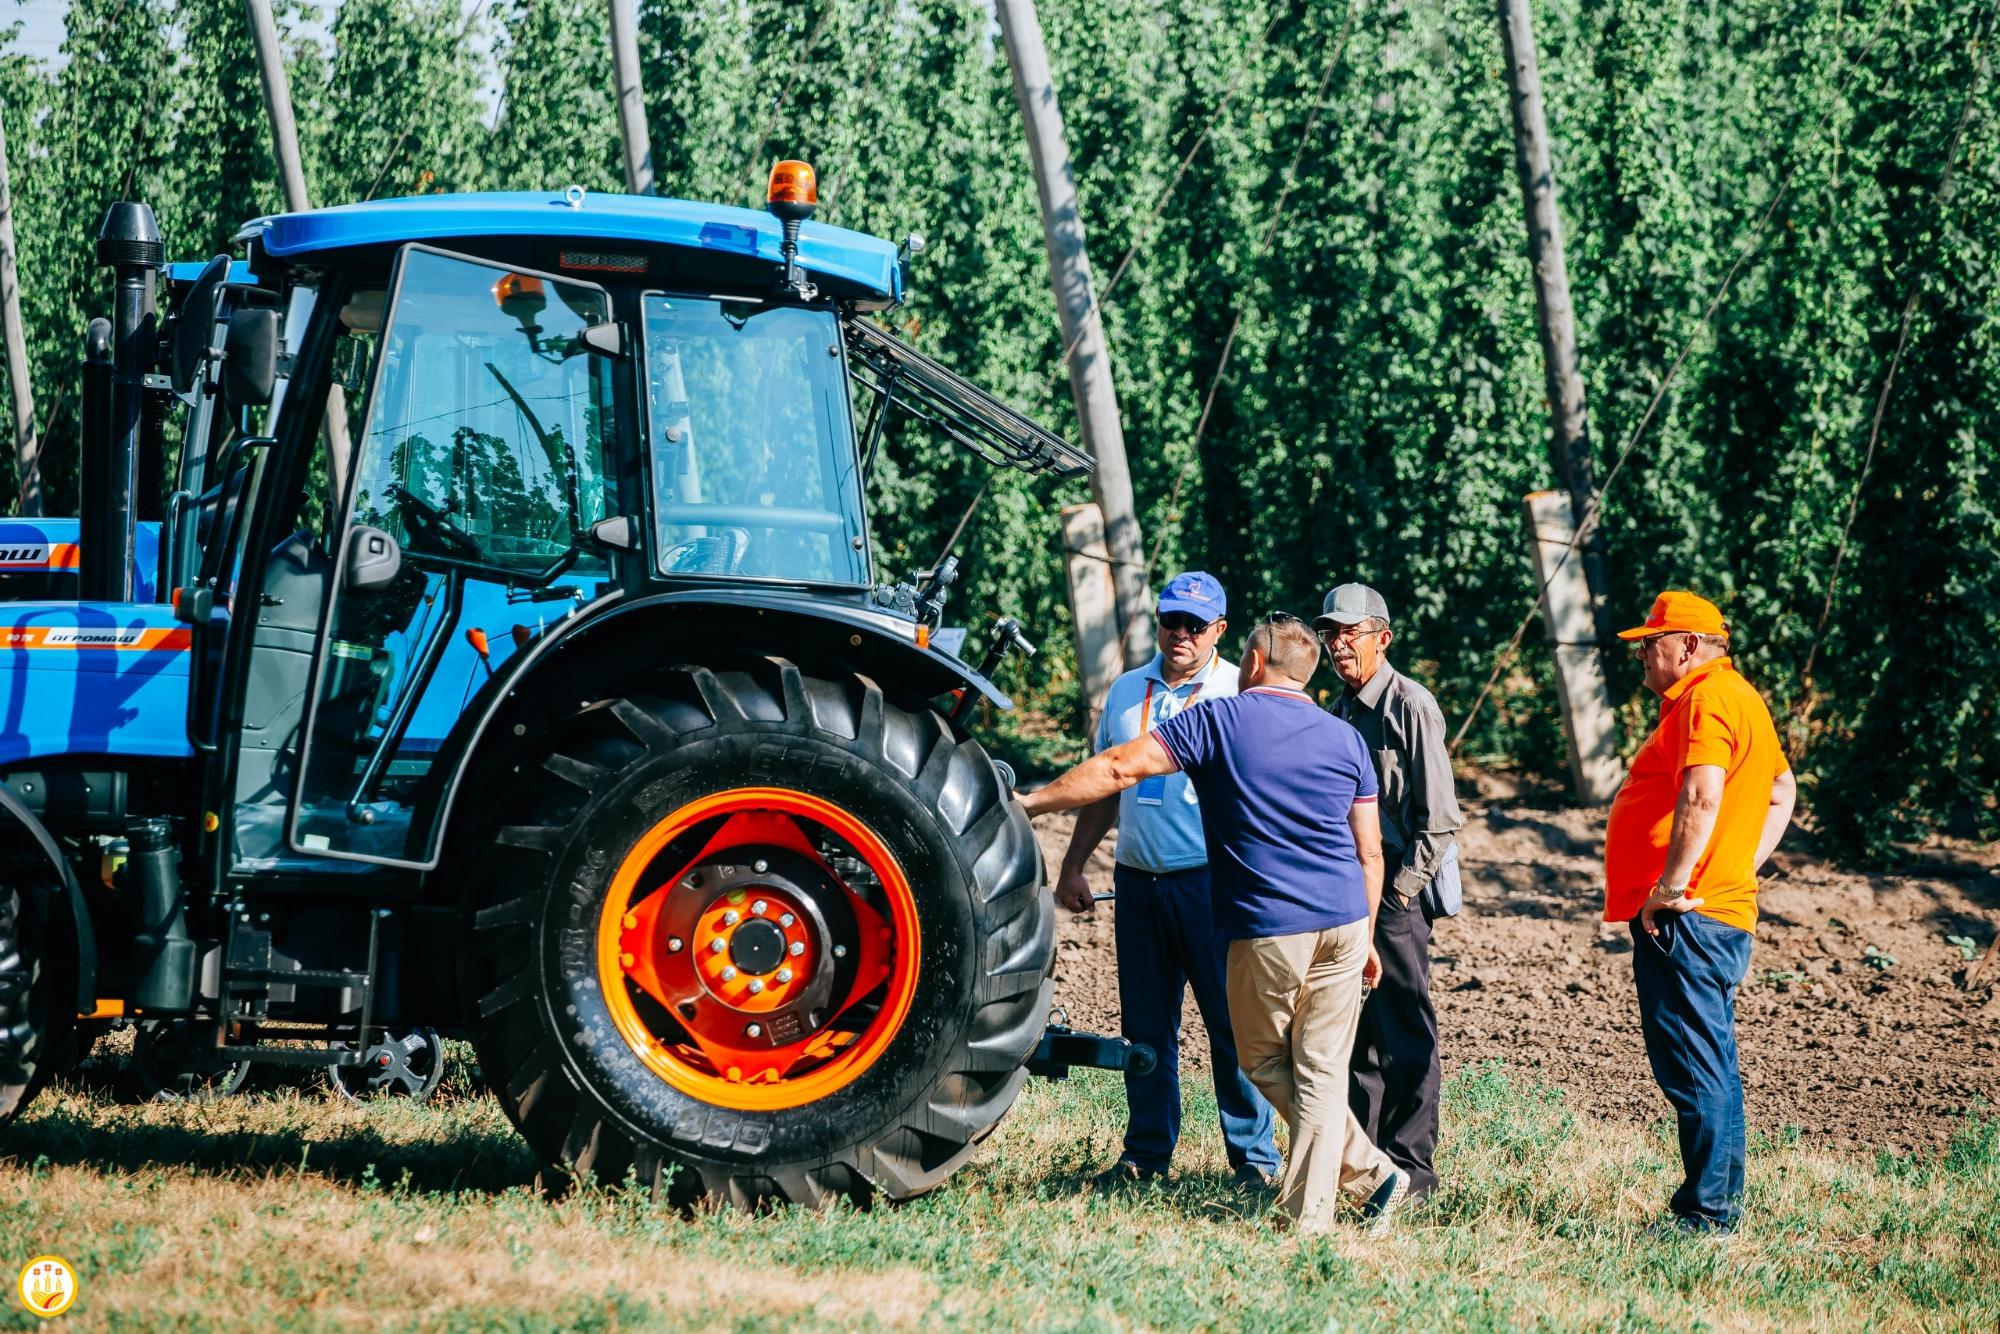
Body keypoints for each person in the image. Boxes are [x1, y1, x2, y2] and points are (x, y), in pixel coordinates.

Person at [1024, 614, 1409, 1234]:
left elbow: (1120, 768)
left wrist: (1031, 801)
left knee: (1262, 1059)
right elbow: (1370, 852)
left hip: (1271, 926)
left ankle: (1316, 1217)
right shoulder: (1344, 739)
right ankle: (1371, 1175)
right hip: (1343, 920)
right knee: (1319, 1067)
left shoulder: (1218, 719)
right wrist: (1365, 936)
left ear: (1252, 663)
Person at [1052, 571, 1281, 1190]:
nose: (1180, 634)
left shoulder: (1241, 690)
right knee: (1145, 1027)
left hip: (1211, 884)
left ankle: (1254, 1162)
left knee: (1230, 1024)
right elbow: (1107, 785)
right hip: (1137, 882)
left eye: (1195, 625)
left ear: (1221, 631)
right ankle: (1146, 1156)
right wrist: (1075, 864)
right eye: (1171, 621)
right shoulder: (1127, 690)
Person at [1605, 591, 1795, 1235]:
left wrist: (1672, 883)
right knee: (1708, 1059)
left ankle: (1708, 1213)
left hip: (1687, 917)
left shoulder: (1707, 698)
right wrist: (1738, 864)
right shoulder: (1743, 698)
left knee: (1692, 1063)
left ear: (1686, 645)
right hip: (1718, 907)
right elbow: (1781, 789)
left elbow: (1702, 792)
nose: (1641, 656)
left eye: (1649, 644)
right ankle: (1716, 1204)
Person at [1315, 582, 1463, 1205]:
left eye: (1350, 632)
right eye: (1330, 633)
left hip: (1398, 887)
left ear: (1383, 637)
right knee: (1355, 1032)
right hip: (1351, 886)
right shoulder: (1339, 710)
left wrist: (1400, 896)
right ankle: (1368, 1169)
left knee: (1405, 1030)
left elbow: (1441, 818)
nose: (1338, 644)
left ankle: (1414, 1173)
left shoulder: (1411, 705)